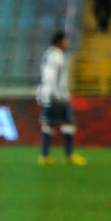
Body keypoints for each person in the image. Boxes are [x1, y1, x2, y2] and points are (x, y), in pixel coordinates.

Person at [37, 30, 85, 165]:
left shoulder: (49, 54)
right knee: (67, 123)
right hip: (56, 95)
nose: (67, 42)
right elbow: (50, 76)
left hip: (48, 94)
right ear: (60, 41)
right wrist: (57, 94)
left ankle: (45, 156)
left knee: (49, 124)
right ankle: (68, 155)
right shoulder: (56, 56)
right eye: (66, 40)